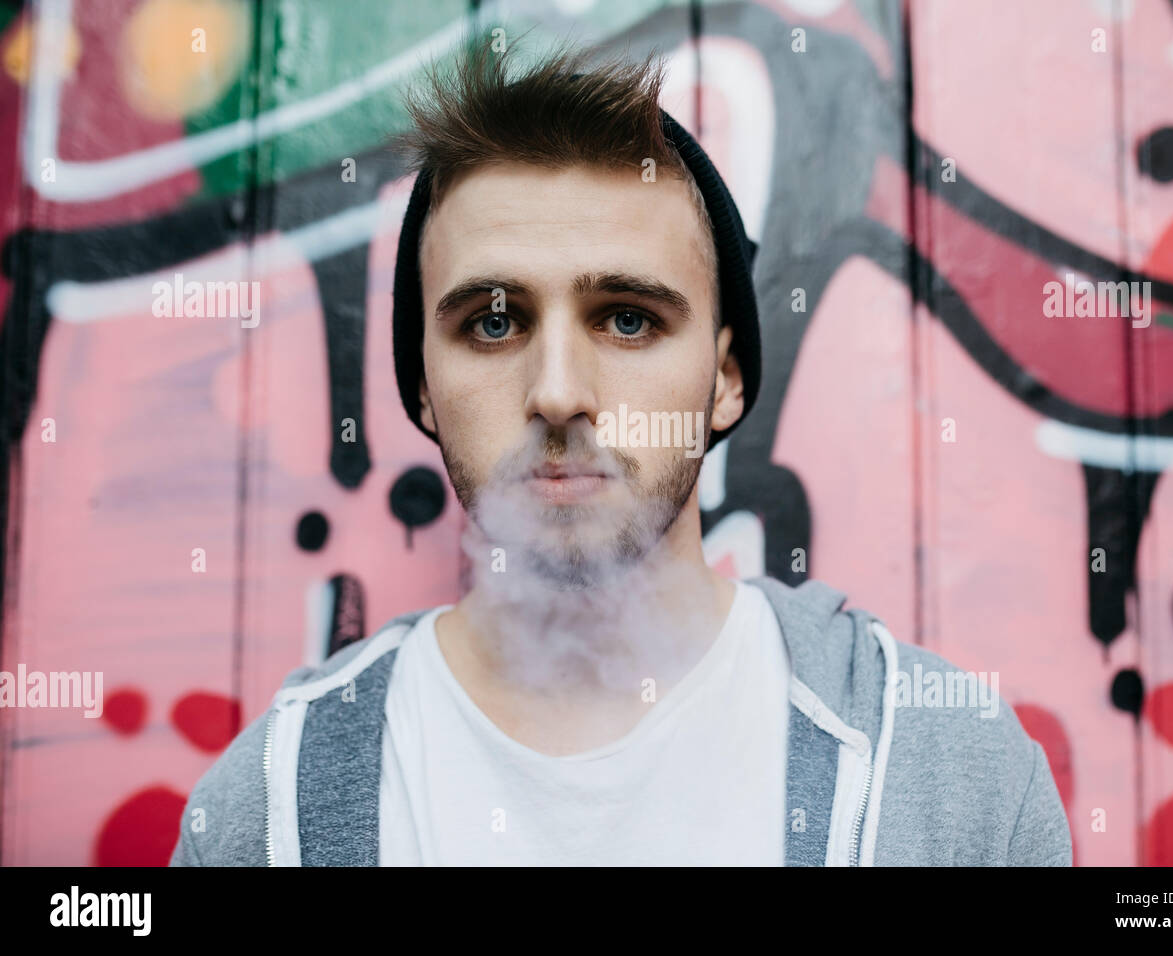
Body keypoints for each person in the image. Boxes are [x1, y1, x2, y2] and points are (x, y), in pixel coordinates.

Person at [169, 39, 1071, 867]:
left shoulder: (953, 780)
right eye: (492, 322)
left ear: (724, 379)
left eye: (629, 319)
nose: (559, 392)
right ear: (420, 389)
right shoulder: (269, 810)